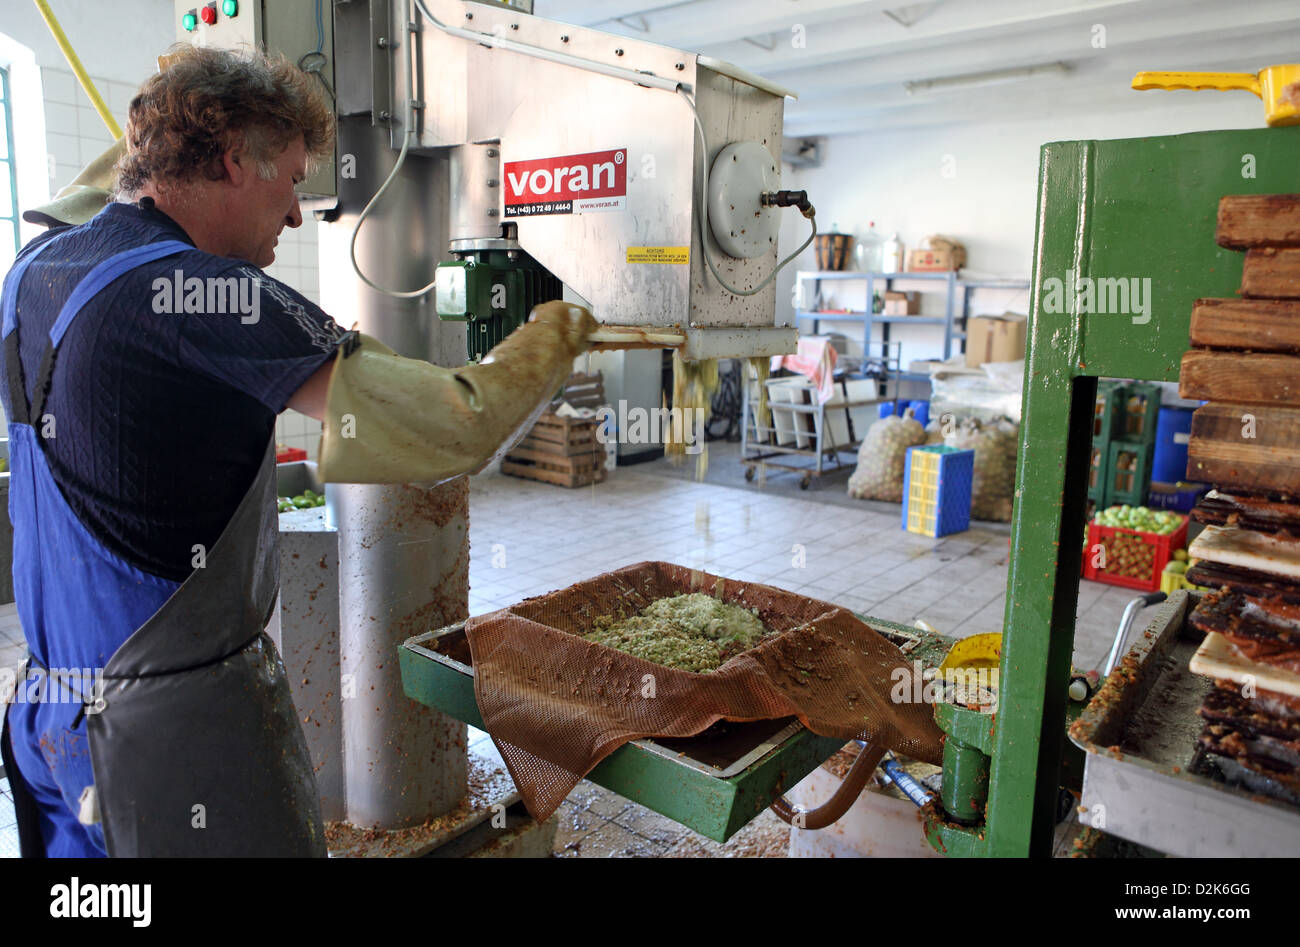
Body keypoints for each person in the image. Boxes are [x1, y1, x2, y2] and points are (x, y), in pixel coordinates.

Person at [0, 45, 593, 857]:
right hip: (173, 745)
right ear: (235, 157)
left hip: (48, 722)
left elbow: (92, 195)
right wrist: (569, 322)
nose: (295, 214)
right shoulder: (218, 299)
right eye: (290, 180)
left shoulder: (35, 264)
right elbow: (458, 424)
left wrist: (173, 114)